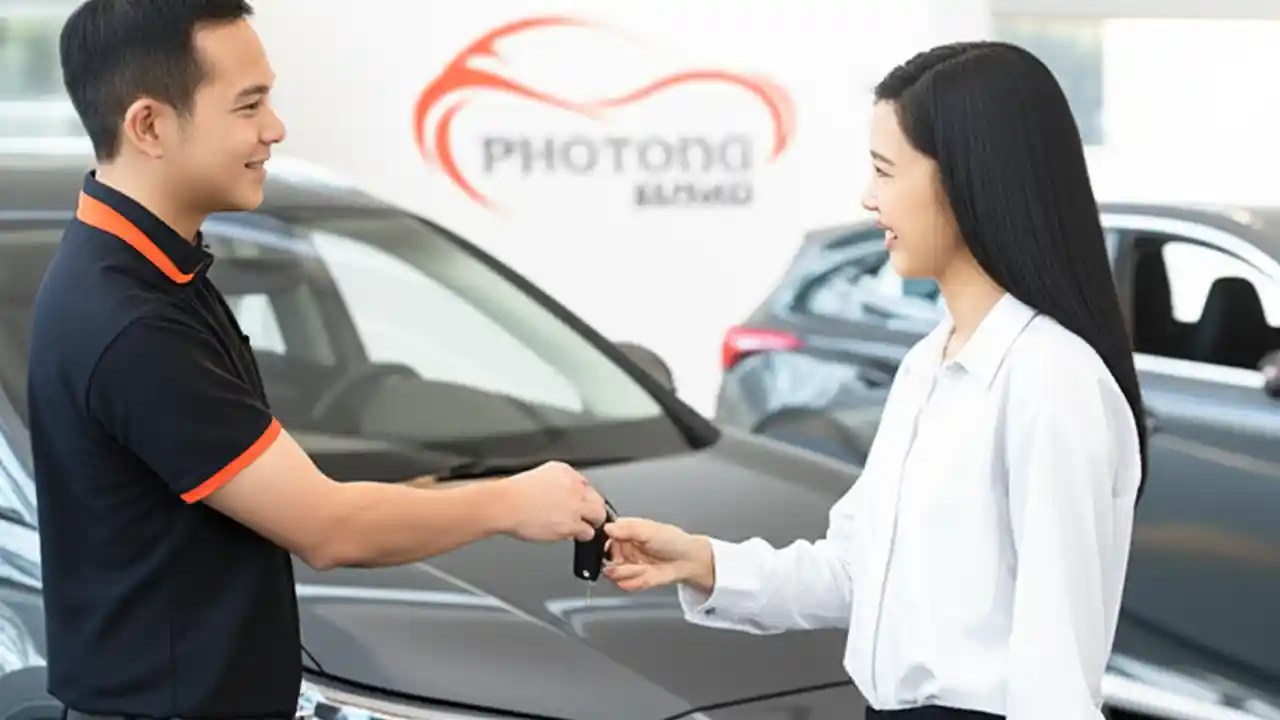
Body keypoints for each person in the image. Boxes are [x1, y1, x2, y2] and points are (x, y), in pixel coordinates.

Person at [27, 2, 607, 718]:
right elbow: (330, 528)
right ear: (148, 125)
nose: (275, 128)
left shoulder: (148, 274)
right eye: (249, 105)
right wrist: (513, 500)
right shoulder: (129, 321)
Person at [603, 41, 1147, 720]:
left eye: (885, 172)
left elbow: (1054, 681)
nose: (868, 198)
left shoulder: (1052, 381)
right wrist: (700, 560)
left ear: (967, 180)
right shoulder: (929, 363)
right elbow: (855, 573)